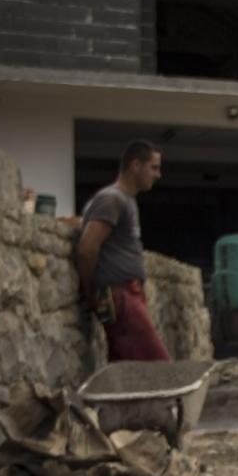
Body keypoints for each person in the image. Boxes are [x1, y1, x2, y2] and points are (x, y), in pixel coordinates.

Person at [76, 140, 169, 362]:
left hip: (128, 295)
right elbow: (87, 249)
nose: (158, 175)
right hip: (121, 297)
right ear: (136, 165)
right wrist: (92, 293)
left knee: (126, 369)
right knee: (159, 368)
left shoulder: (126, 201)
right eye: (154, 167)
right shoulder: (112, 199)